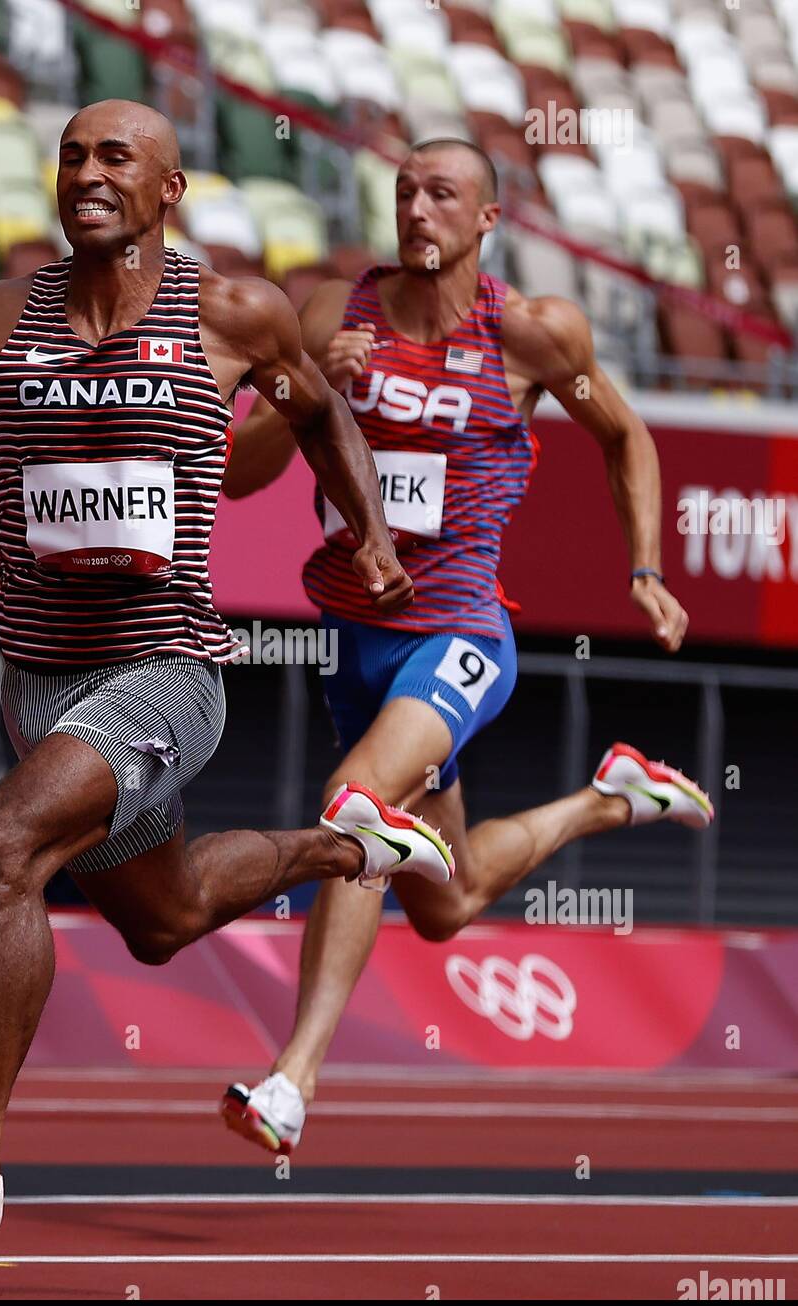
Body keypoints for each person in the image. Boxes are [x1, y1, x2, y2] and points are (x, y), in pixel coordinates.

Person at [0, 102, 456, 1244]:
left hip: (168, 672)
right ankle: (349, 847)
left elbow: (321, 416)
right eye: (72, 156)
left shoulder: (233, 312)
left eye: (116, 156)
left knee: (2, 846)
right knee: (163, 920)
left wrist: (369, 531)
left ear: (170, 190)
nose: (87, 174)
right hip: (41, 686)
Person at [219, 138, 713, 1156]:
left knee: (359, 804)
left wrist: (648, 568)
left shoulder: (530, 334)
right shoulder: (329, 316)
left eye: (442, 194)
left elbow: (624, 434)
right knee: (445, 901)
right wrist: (307, 386)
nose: (417, 210)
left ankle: (293, 1076)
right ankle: (607, 796)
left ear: (488, 220)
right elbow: (240, 476)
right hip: (355, 638)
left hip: (459, 634)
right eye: (404, 191)